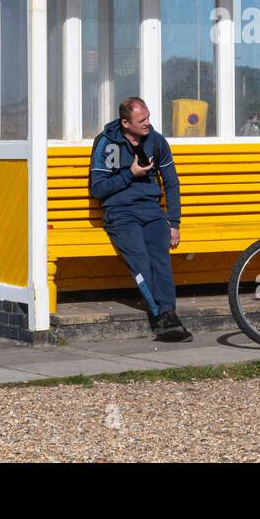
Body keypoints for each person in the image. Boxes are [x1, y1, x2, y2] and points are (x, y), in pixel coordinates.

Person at [89, 96, 191, 341]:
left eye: (148, 117)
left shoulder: (156, 142)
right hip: (120, 214)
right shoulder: (105, 143)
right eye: (141, 120)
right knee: (141, 262)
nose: (148, 123)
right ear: (125, 122)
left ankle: (169, 315)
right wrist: (130, 174)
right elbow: (98, 189)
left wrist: (174, 223)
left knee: (161, 261)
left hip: (152, 212)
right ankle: (160, 316)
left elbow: (171, 183)